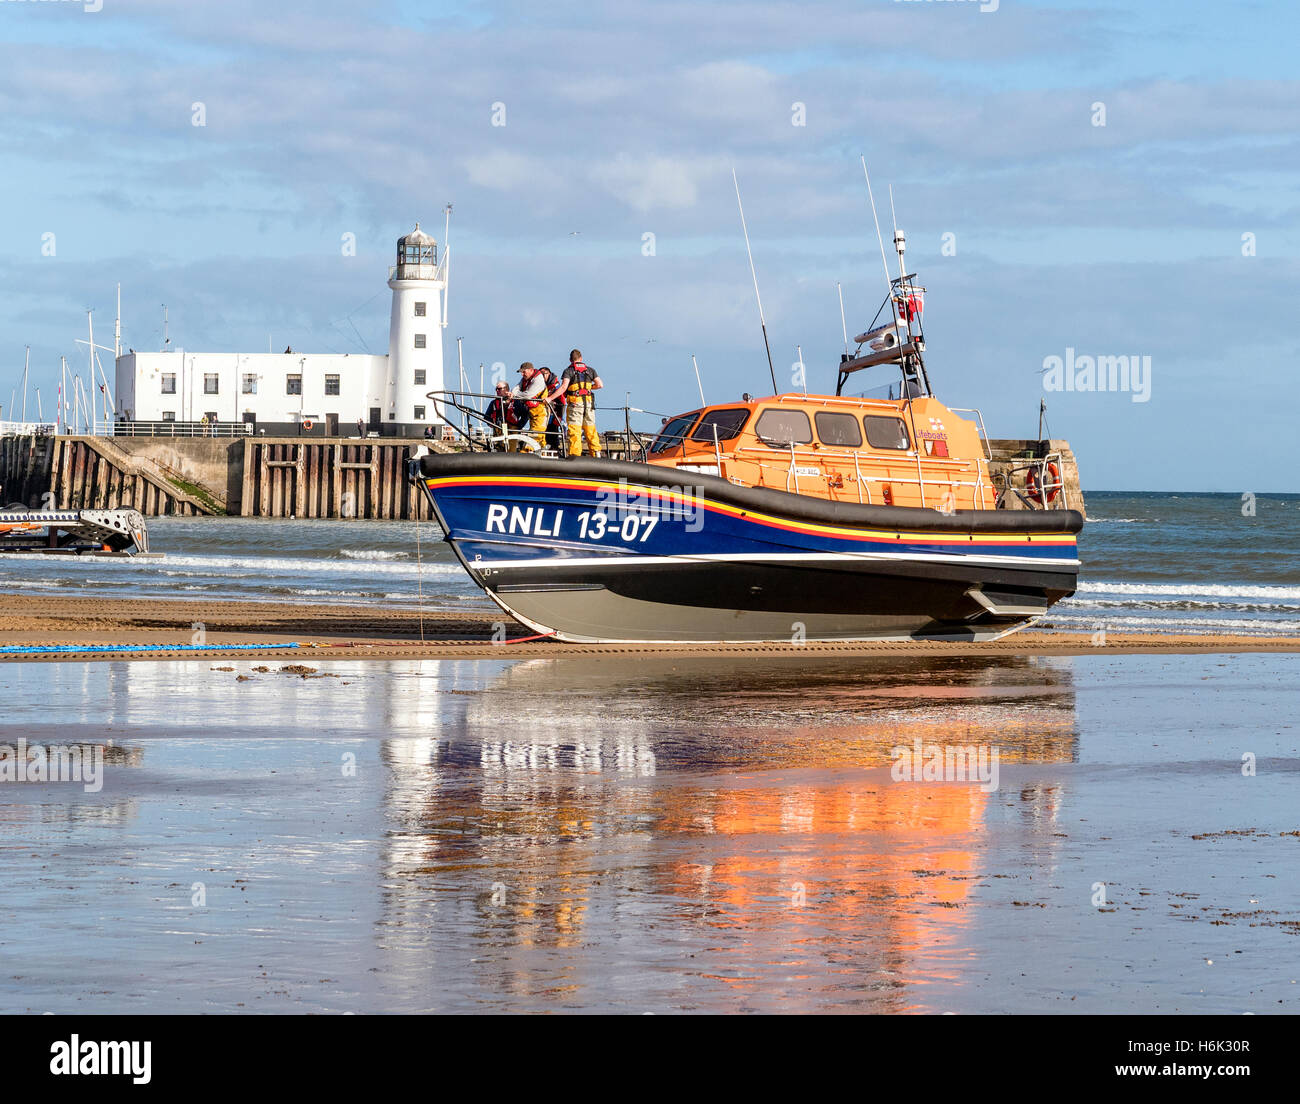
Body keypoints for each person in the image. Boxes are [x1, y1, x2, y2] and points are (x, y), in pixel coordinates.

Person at [561, 348, 602, 457]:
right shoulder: (590, 370)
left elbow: (564, 387)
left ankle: (575, 456)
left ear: (570, 359)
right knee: (590, 429)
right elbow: (600, 385)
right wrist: (588, 389)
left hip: (575, 404)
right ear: (581, 358)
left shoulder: (568, 371)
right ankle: (596, 453)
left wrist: (551, 397)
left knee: (575, 430)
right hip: (588, 404)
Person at [509, 362, 548, 450]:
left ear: (531, 370)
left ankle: (526, 454)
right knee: (539, 437)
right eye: (521, 372)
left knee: (535, 437)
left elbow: (528, 395)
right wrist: (513, 393)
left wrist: (514, 395)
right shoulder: (525, 379)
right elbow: (516, 388)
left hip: (541, 414)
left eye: (524, 372)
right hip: (532, 414)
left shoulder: (538, 380)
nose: (522, 374)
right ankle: (543, 452)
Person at [484, 381, 524, 450]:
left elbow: (525, 414)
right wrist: (490, 423)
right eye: (496, 389)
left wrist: (520, 425)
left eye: (499, 389)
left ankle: (511, 458)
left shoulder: (516, 401)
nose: (497, 391)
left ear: (506, 389)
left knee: (511, 448)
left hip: (512, 428)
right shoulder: (493, 403)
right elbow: (486, 416)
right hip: (498, 427)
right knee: (498, 447)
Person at [539, 366, 567, 453]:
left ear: (549, 374)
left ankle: (555, 450)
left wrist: (559, 416)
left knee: (553, 432)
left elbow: (562, 402)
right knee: (544, 433)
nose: (542, 377)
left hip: (554, 413)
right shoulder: (540, 385)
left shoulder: (555, 385)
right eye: (540, 375)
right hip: (543, 413)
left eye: (544, 374)